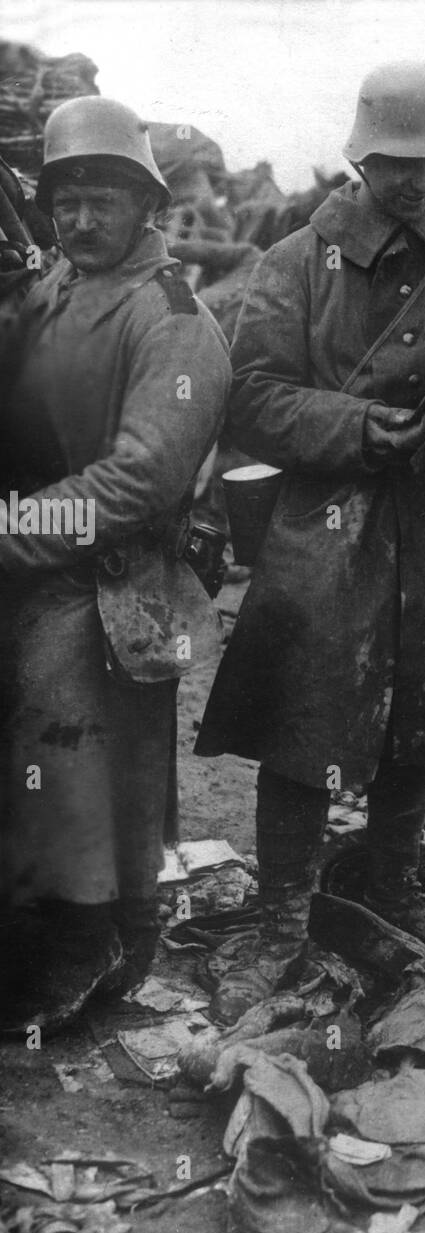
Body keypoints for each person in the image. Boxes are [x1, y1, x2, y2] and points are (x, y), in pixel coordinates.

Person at [195, 62, 425, 1025]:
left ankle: (390, 878)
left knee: (419, 713)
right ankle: (278, 913)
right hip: (332, 520)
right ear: (363, 156)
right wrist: (358, 428)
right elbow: (254, 395)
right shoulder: (298, 261)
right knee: (302, 718)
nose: (419, 184)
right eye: (400, 164)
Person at [0, 96, 231, 1032]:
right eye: (68, 201)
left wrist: (12, 528)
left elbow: (141, 476)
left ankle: (97, 936)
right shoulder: (51, 292)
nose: (83, 219)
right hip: (31, 557)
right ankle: (44, 917)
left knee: (76, 756)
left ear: (148, 207)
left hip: (112, 579)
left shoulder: (173, 320)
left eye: (104, 200)